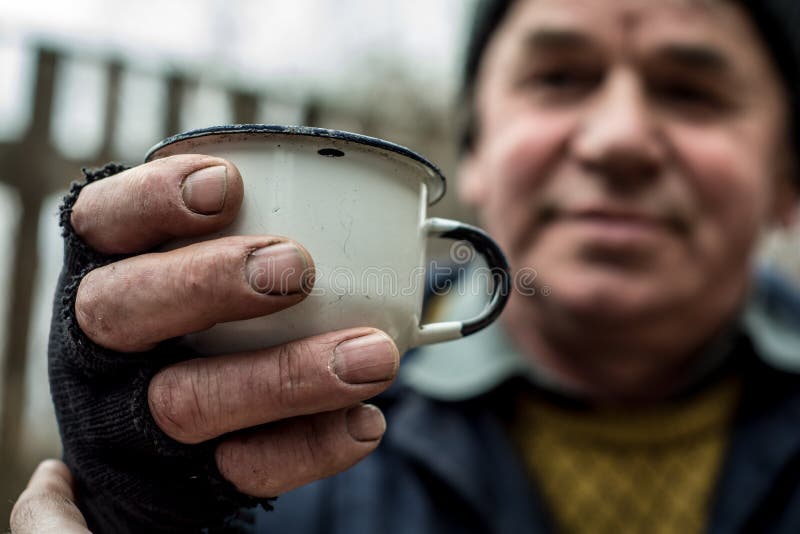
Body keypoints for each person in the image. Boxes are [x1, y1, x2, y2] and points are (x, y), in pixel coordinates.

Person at [10, 0, 800, 532]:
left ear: (787, 178)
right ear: (479, 153)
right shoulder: (280, 442)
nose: (618, 139)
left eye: (692, 90)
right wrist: (133, 509)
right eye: (559, 78)